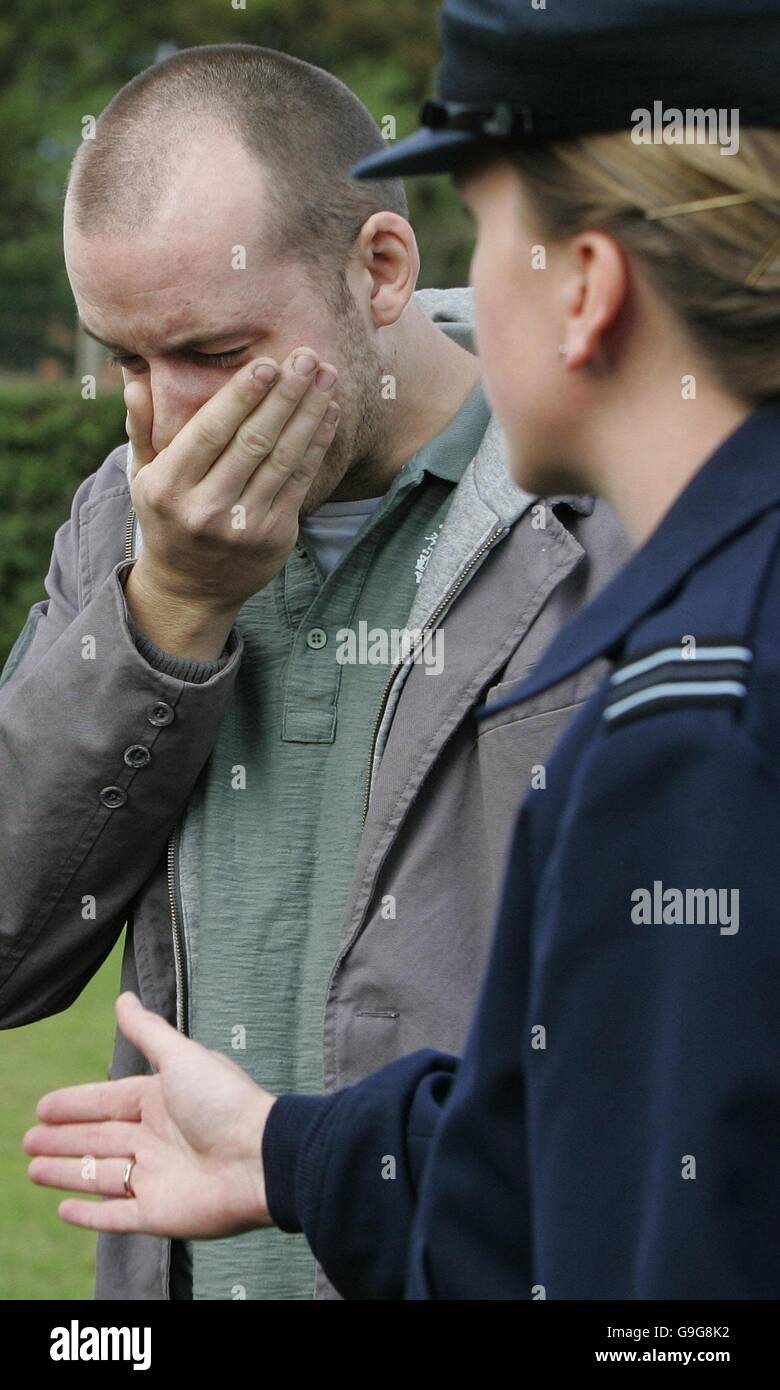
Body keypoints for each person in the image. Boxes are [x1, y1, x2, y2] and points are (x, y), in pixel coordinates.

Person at [23, 0, 780, 1299]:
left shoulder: (663, 566)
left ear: (384, 268)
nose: (167, 423)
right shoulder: (129, 524)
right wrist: (168, 610)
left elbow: (644, 1177)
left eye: (214, 351)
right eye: (124, 362)